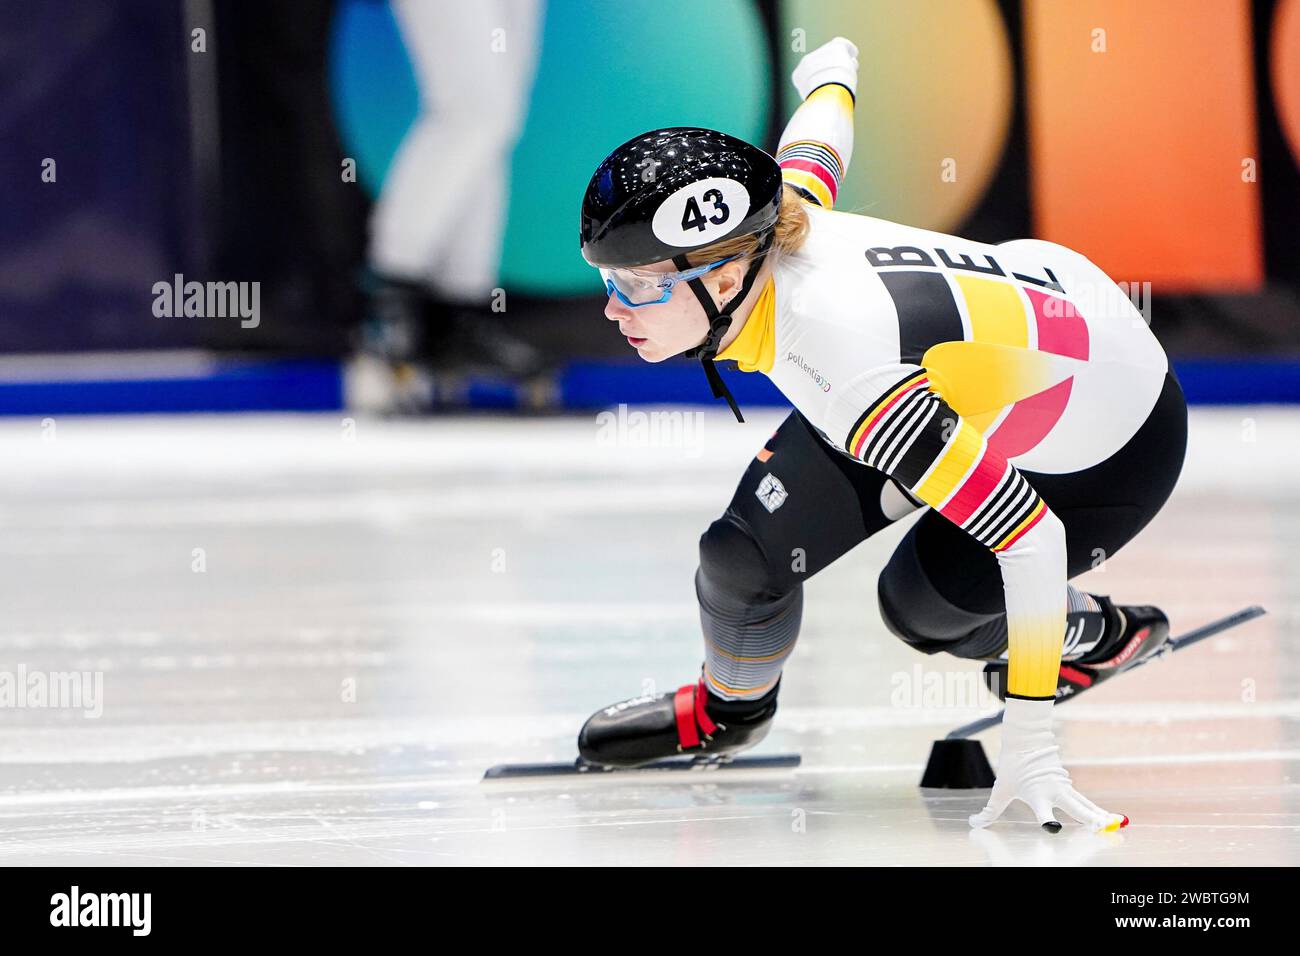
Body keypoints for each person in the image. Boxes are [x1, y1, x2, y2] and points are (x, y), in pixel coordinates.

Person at [575, 38, 1186, 832]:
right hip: (987, 364)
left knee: (924, 607)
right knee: (742, 558)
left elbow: (1029, 539)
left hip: (1111, 447)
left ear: (724, 278)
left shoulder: (846, 367)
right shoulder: (777, 223)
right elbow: (816, 146)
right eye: (607, 280)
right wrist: (834, 72)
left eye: (637, 284)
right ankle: (730, 712)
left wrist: (1032, 747)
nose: (612, 309)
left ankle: (1096, 632)